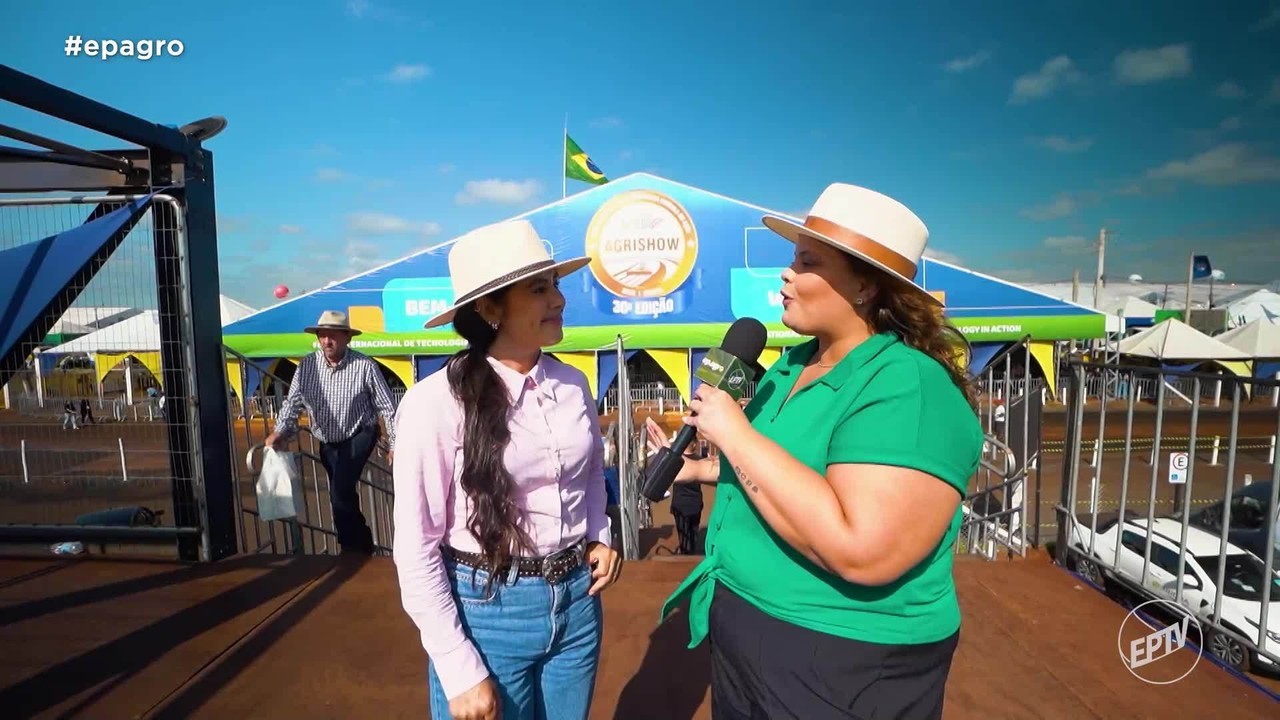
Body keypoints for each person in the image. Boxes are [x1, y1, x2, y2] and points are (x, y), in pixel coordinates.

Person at [659, 183, 984, 719]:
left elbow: (864, 548)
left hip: (841, 657)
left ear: (864, 288)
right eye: (792, 259)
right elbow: (790, 472)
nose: (786, 274)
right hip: (746, 628)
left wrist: (735, 433)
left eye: (807, 262)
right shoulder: (792, 364)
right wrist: (705, 466)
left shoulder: (908, 385)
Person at [392, 219, 623, 720]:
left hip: (578, 602)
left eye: (556, 285)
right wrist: (458, 667)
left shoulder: (572, 383)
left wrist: (600, 535)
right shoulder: (435, 403)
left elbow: (587, 476)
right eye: (539, 289)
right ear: (488, 308)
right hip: (487, 611)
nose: (559, 300)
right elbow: (415, 546)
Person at [264, 310, 397, 555]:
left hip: (360, 433)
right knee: (341, 492)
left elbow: (388, 407)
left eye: (333, 335)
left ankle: (352, 549)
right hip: (327, 441)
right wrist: (280, 432)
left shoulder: (364, 366)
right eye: (322, 335)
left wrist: (395, 445)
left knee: (340, 491)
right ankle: (362, 542)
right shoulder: (306, 366)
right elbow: (292, 403)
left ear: (347, 338)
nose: (327, 341)